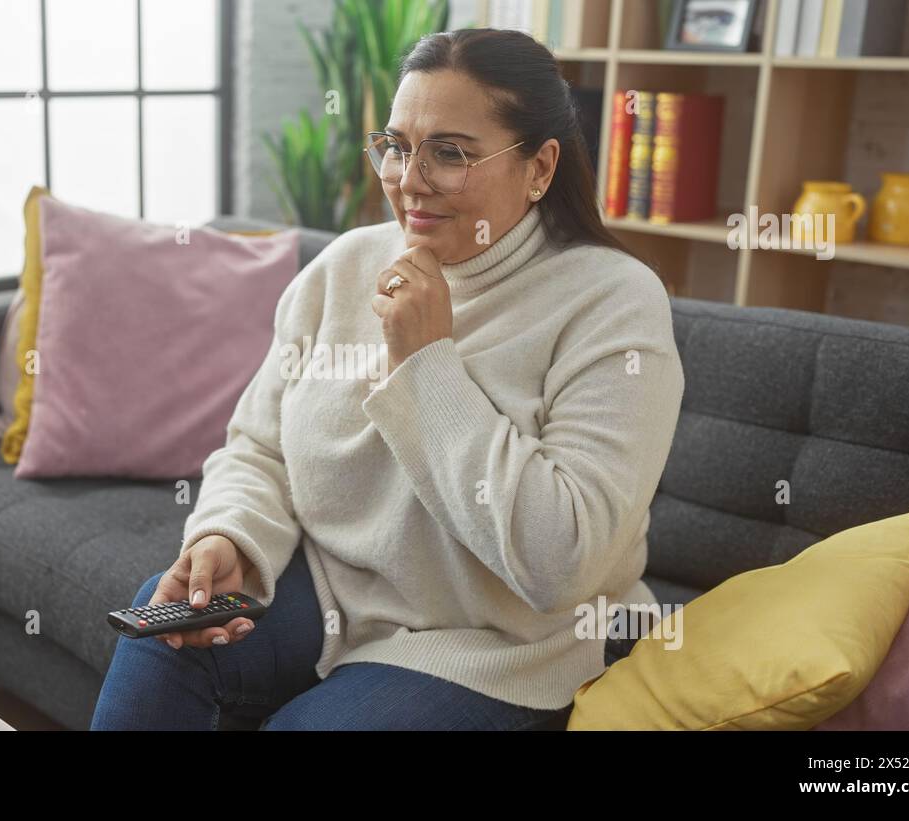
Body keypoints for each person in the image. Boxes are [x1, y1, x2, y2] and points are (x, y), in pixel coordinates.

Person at [91, 27, 685, 731]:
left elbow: (562, 561)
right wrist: (230, 537)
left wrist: (428, 361)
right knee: (166, 634)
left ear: (539, 167)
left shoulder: (612, 301)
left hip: (498, 643)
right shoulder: (344, 267)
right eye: (398, 146)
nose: (409, 179)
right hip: (333, 590)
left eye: (450, 153)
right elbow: (259, 446)